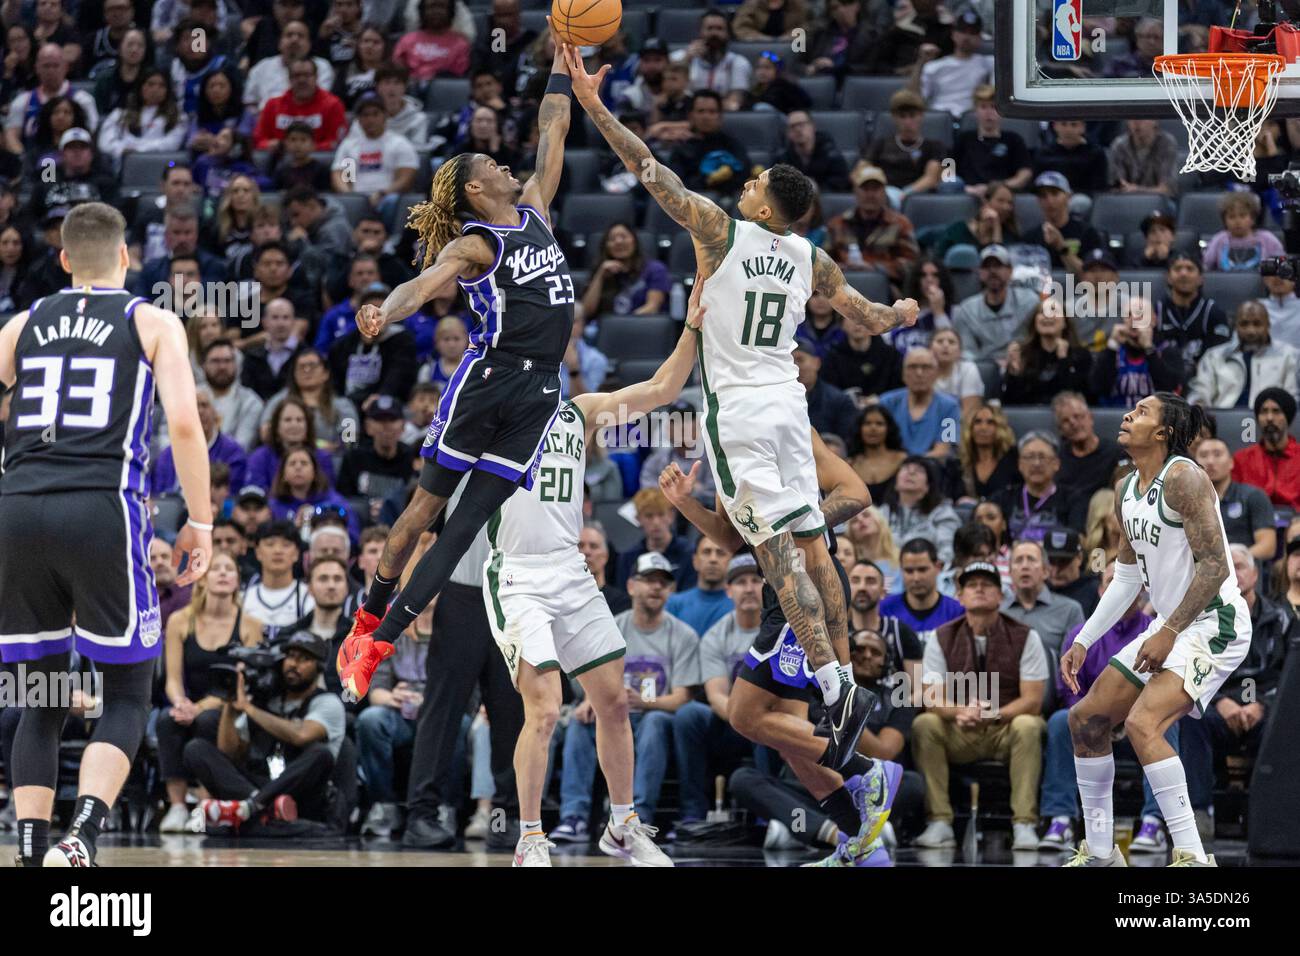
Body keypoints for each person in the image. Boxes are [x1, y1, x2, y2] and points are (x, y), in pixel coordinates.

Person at [564, 42, 919, 768]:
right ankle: (844, 680)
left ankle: (834, 686)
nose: (745, 182)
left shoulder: (720, 232)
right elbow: (868, 316)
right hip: (792, 408)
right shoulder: (811, 257)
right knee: (814, 547)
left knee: (778, 556)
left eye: (753, 181)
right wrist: (905, 312)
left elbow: (649, 170)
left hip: (743, 415)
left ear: (763, 206)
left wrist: (595, 106)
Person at [335, 29, 577, 700]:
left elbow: (553, 130)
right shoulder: (477, 241)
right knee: (422, 514)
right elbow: (427, 282)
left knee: (467, 528)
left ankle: (376, 649)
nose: (506, 165)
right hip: (490, 379)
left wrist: (562, 66)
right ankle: (366, 617)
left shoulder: (534, 207)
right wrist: (387, 310)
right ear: (475, 187)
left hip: (541, 390)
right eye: (492, 164)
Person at [0, 202, 213, 867]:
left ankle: (31, 851)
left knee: (41, 693)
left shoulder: (22, 322)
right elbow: (183, 424)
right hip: (101, 508)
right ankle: (80, 838)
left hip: (19, 508)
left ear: (63, 261)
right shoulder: (150, 319)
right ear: (127, 258)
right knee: (125, 691)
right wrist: (200, 521)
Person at [485, 305, 703, 863]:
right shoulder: (488, 415)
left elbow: (661, 388)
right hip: (516, 574)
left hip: (568, 567)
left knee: (613, 701)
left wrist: (694, 325)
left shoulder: (578, 414)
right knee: (547, 708)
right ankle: (530, 836)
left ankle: (623, 825)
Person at [662, 426, 902, 867]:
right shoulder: (724, 446)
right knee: (789, 741)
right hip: (778, 585)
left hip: (806, 581)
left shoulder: (789, 421)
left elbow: (856, 492)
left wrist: (804, 524)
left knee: (745, 715)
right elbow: (734, 538)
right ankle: (862, 846)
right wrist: (684, 503)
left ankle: (868, 772)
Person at [1060, 393, 1252, 867]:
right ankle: (1103, 853)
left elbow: (1214, 568)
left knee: (1145, 724)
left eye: (1142, 412)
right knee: (1086, 720)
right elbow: (1126, 576)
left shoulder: (1185, 477)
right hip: (1171, 625)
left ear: (1164, 433)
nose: (1127, 416)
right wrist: (1085, 638)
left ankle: (1192, 854)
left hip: (1215, 623)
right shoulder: (1126, 488)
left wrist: (1166, 631)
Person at [1038, 558, 1177, 853]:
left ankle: (1153, 823)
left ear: (1141, 590)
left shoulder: (1157, 634)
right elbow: (1070, 690)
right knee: (1061, 720)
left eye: (1126, 582)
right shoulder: (1080, 635)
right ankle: (1060, 818)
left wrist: (1127, 721)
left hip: (1140, 724)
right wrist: (1103, 721)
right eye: (1110, 582)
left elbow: (1163, 689)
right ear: (1102, 592)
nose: (1119, 588)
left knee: (1169, 723)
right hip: (1093, 726)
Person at [911, 560, 1048, 850]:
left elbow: (1033, 701)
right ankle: (940, 822)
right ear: (959, 596)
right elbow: (931, 697)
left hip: (1005, 729)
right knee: (925, 724)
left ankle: (1024, 824)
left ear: (1001, 595)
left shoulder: (1026, 636)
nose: (980, 589)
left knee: (1028, 724)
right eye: (972, 585)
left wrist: (995, 714)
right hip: (962, 730)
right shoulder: (941, 636)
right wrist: (960, 711)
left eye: (987, 584)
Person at [188, 631, 346, 829]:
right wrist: (230, 701)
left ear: (319, 667)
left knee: (321, 754)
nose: (294, 665)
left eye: (305, 659)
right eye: (290, 657)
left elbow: (300, 735)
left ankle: (251, 808)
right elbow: (230, 753)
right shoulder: (266, 698)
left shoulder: (328, 702)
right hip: (261, 787)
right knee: (197, 749)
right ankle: (263, 809)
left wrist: (249, 709)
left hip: (302, 794)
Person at [155, 551, 263, 832]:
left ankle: (206, 801)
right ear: (202, 579)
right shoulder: (181, 620)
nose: (224, 573)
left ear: (238, 580)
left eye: (230, 569)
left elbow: (243, 683)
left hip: (230, 706)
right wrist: (180, 702)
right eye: (216, 568)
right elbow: (173, 677)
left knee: (206, 720)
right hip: (189, 701)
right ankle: (177, 806)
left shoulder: (251, 625)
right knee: (167, 719)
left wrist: (199, 707)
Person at [672, 555, 767, 831]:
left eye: (755, 581)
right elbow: (715, 696)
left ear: (767, 587)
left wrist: (755, 719)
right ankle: (693, 812)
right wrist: (746, 718)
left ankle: (767, 813)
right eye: (740, 582)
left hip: (765, 721)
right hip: (729, 719)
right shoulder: (716, 635)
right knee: (689, 714)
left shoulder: (778, 630)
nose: (749, 588)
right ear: (729, 591)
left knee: (769, 722)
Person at [1190, 301, 1300, 408]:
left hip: (1270, 420)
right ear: (1236, 326)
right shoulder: (1214, 356)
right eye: (1244, 324)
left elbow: (1292, 397)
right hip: (1222, 420)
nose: (1251, 331)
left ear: (1268, 325)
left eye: (1257, 324)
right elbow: (1200, 392)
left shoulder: (1289, 356)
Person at [825, 163, 919, 281]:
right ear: (855, 191)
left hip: (887, 290)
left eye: (875, 189)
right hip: (844, 287)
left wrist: (874, 268)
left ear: (884, 192)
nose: (870, 194)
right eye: (865, 189)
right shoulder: (837, 224)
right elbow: (823, 263)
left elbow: (912, 265)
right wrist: (841, 268)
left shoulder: (900, 224)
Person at [950, 244, 1040, 362]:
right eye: (986, 267)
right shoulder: (967, 310)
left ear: (1010, 270)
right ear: (979, 273)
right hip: (984, 370)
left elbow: (1038, 341)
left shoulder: (1029, 301)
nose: (992, 271)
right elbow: (967, 352)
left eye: (998, 266)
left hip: (1024, 364)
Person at [1196, 436, 1278, 562]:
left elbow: (1267, 546)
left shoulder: (1253, 496)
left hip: (1242, 572)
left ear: (1231, 462)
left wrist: (1231, 560)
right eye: (1203, 455)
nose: (1210, 461)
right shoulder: (1187, 502)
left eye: (1217, 454)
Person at [1001, 539, 1086, 658]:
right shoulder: (999, 612)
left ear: (1046, 571)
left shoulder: (1070, 610)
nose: (1024, 566)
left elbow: (1074, 663)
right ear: (1010, 572)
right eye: (1018, 560)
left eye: (1031, 559)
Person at [1001, 298, 1093, 406]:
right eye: (1042, 312)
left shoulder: (1080, 355)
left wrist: (1063, 360)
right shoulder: (1022, 355)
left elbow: (1082, 398)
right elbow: (1010, 403)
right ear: (1035, 322)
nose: (1048, 316)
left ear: (1065, 322)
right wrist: (1014, 373)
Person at [878, 347, 961, 458]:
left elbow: (943, 450)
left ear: (936, 373)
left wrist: (912, 465)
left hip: (933, 470)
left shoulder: (950, 407)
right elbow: (878, 447)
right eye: (912, 367)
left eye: (926, 367)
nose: (919, 373)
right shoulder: (886, 403)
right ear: (903, 373)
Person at [876, 455, 961, 565]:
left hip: (926, 574)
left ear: (928, 486)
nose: (911, 473)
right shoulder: (881, 514)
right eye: (905, 468)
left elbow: (947, 553)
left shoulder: (943, 514)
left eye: (919, 470)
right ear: (896, 484)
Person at [252, 58, 348, 152]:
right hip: (280, 161)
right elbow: (258, 139)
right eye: (296, 76)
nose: (302, 80)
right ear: (289, 79)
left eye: (307, 75)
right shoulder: (272, 105)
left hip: (319, 160)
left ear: (316, 77)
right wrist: (270, 145)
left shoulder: (333, 105)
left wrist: (309, 149)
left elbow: (337, 142)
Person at [1156, 253, 1230, 372]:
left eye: (1190, 269)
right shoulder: (1156, 312)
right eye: (1177, 269)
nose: (1183, 273)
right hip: (1164, 380)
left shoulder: (1214, 312)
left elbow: (1220, 355)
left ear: (1201, 279)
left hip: (1204, 379)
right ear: (1168, 278)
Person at [580, 222, 671, 318]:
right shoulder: (601, 270)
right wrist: (600, 276)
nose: (618, 242)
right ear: (606, 246)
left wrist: (623, 325)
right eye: (612, 239)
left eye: (623, 237)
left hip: (640, 327)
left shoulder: (655, 269)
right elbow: (586, 311)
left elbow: (652, 307)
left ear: (634, 241)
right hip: (606, 330)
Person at [1231, 386, 1300, 510]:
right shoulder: (1241, 459)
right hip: (1252, 524)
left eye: (1276, 411)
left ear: (1287, 416)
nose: (1269, 418)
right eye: (1263, 411)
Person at [952, 88, 1032, 194]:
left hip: (1002, 196)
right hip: (967, 194)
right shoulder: (963, 139)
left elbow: (1025, 173)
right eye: (983, 107)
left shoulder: (1013, 139)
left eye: (994, 107)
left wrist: (997, 188)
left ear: (1002, 111)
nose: (988, 113)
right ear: (975, 111)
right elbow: (947, 166)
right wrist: (963, 188)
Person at [1022, 171, 1103, 275]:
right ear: (1038, 201)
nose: (1049, 201)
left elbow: (1092, 277)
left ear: (1068, 197)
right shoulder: (1030, 238)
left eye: (1055, 194)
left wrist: (1061, 246)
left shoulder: (1087, 233)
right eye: (1043, 196)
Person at [1054, 391, 1125, 508]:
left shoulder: (1117, 453)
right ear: (1060, 429)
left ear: (1090, 418)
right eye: (1065, 421)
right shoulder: (1056, 458)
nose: (1073, 423)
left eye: (1077, 416)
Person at [671, 9, 752, 112]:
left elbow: (734, 104)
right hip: (683, 114)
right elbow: (670, 94)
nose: (714, 33)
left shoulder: (739, 63)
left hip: (722, 118)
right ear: (700, 32)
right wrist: (687, 60)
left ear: (728, 33)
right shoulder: (679, 58)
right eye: (709, 28)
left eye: (719, 29)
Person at [879, 538, 966, 634]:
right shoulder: (884, 610)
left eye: (922, 570)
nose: (916, 578)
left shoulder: (957, 613)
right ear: (901, 570)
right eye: (909, 571)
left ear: (938, 567)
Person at [241, 520, 314, 628]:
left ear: (297, 553)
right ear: (257, 552)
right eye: (270, 544)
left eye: (286, 545)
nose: (278, 551)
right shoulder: (243, 599)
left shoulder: (309, 598)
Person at [664, 537, 735, 638]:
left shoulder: (740, 605)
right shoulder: (674, 604)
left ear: (731, 561)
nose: (713, 559)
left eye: (720, 553)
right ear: (695, 561)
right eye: (706, 552)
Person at [1202, 191, 1284, 273]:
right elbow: (1205, 267)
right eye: (1232, 217)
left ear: (1253, 218)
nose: (1237, 221)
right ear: (1224, 220)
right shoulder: (1219, 240)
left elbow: (1281, 267)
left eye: (1242, 215)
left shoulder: (1268, 239)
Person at [793, 342, 859, 446]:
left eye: (800, 360)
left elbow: (847, 442)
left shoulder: (839, 401)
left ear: (817, 363)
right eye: (790, 361)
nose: (795, 367)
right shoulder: (777, 399)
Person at [773, 110, 850, 192]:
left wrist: (818, 187)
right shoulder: (782, 159)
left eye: (801, 124)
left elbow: (841, 182)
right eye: (792, 126)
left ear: (813, 127)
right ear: (788, 133)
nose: (797, 129)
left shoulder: (831, 155)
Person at [846, 405, 907, 503]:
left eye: (879, 424)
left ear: (889, 429)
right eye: (867, 423)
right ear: (859, 428)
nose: (873, 428)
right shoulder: (849, 464)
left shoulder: (903, 460)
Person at [958, 402, 1018, 501]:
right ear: (970, 428)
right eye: (977, 422)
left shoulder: (1015, 459)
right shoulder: (958, 464)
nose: (983, 428)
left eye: (990, 422)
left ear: (1000, 428)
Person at [1044, 529, 1101, 617]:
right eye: (1051, 561)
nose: (1056, 570)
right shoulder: (1037, 588)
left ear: (1079, 558)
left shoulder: (1095, 591)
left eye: (1063, 561)